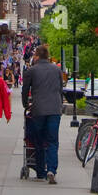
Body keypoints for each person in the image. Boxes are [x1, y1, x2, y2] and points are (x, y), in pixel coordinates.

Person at [21, 43, 63, 184]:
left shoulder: (32, 70)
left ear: (37, 56)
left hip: (38, 110)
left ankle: (40, 171)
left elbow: (25, 90)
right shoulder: (56, 70)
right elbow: (60, 88)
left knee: (39, 140)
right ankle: (52, 169)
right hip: (54, 109)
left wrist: (25, 104)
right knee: (52, 141)